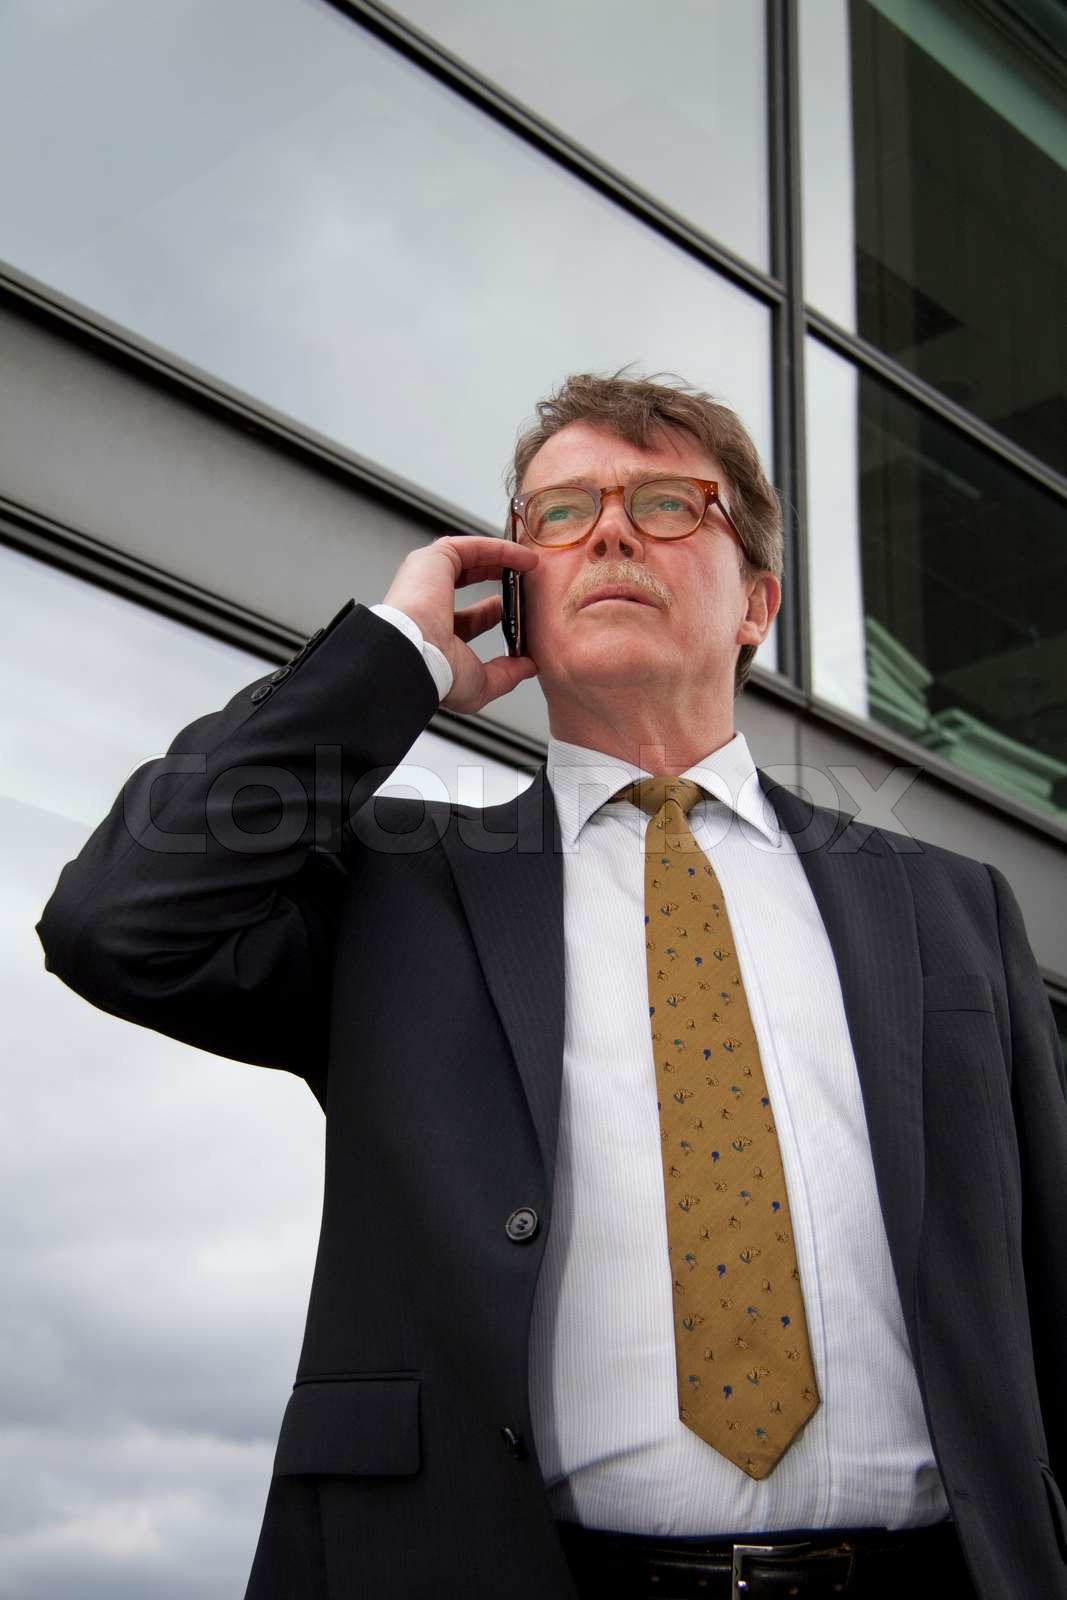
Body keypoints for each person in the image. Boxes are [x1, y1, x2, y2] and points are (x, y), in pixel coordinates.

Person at [37, 373, 1066, 1600]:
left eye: (668, 505)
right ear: (516, 593)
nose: (613, 532)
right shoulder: (395, 892)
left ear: (757, 601)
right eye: (562, 513)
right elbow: (117, 921)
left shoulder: (950, 908)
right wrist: (393, 659)